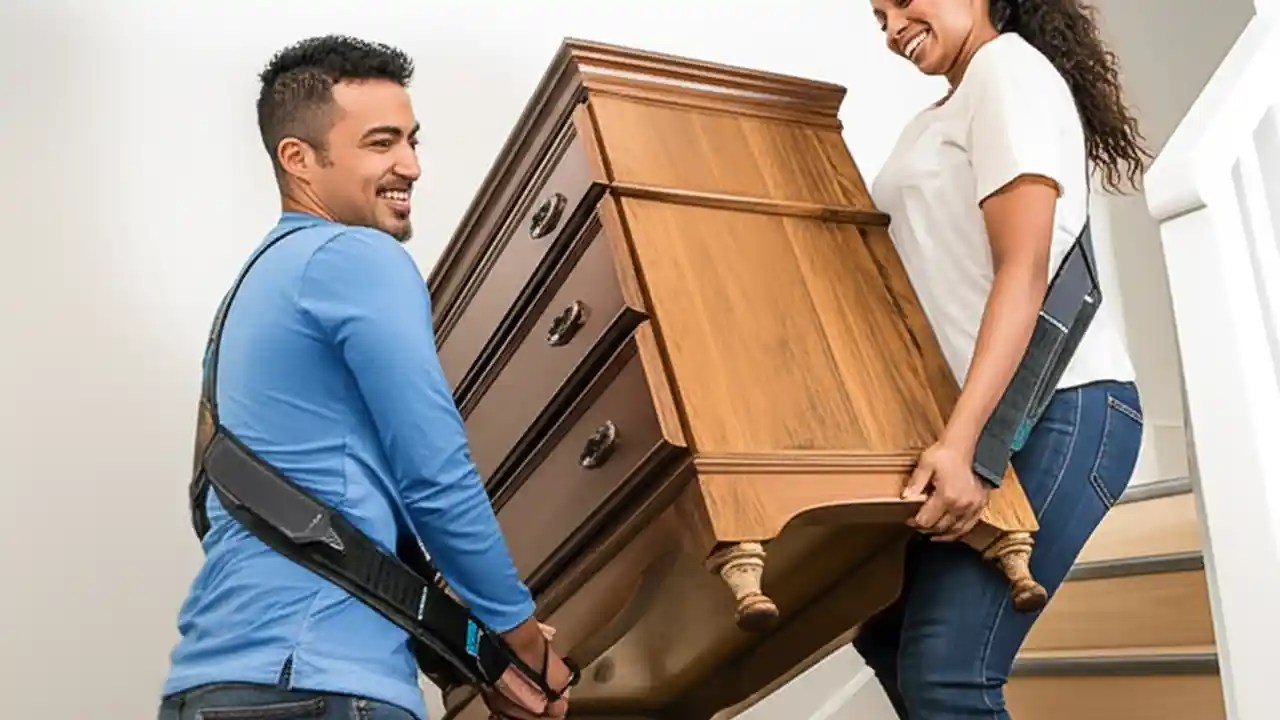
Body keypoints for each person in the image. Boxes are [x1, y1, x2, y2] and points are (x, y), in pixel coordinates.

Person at [159, 35, 572, 720]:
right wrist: (522, 642)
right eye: (381, 144)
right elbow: (434, 470)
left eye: (412, 140)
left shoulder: (247, 299)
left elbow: (312, 513)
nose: (410, 165)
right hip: (317, 684)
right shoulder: (354, 257)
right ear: (299, 158)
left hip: (209, 686)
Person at [855, 0, 1148, 717]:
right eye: (877, 16)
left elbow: (1024, 271)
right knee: (888, 636)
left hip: (1063, 408)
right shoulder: (938, 115)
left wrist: (963, 445)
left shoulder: (1007, 71)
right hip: (993, 415)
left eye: (902, 2)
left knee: (947, 670)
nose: (892, 28)